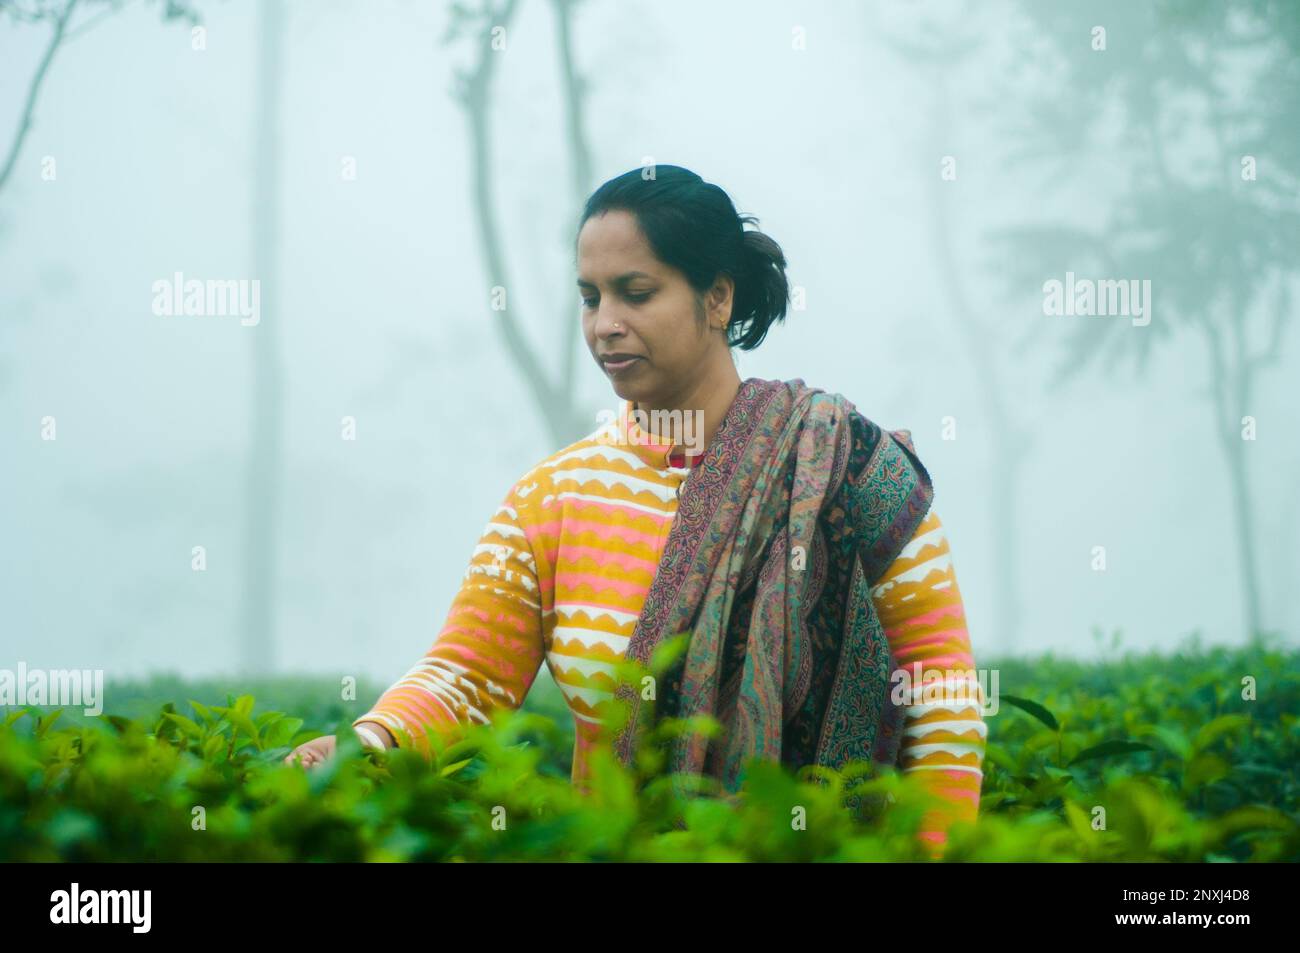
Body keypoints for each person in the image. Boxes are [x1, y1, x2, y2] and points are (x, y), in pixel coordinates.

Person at [286, 165, 986, 858]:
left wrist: (938, 850)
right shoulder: (554, 499)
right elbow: (467, 678)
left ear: (716, 298)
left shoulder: (844, 468)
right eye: (590, 298)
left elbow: (940, 689)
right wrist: (363, 745)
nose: (605, 325)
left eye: (636, 293)